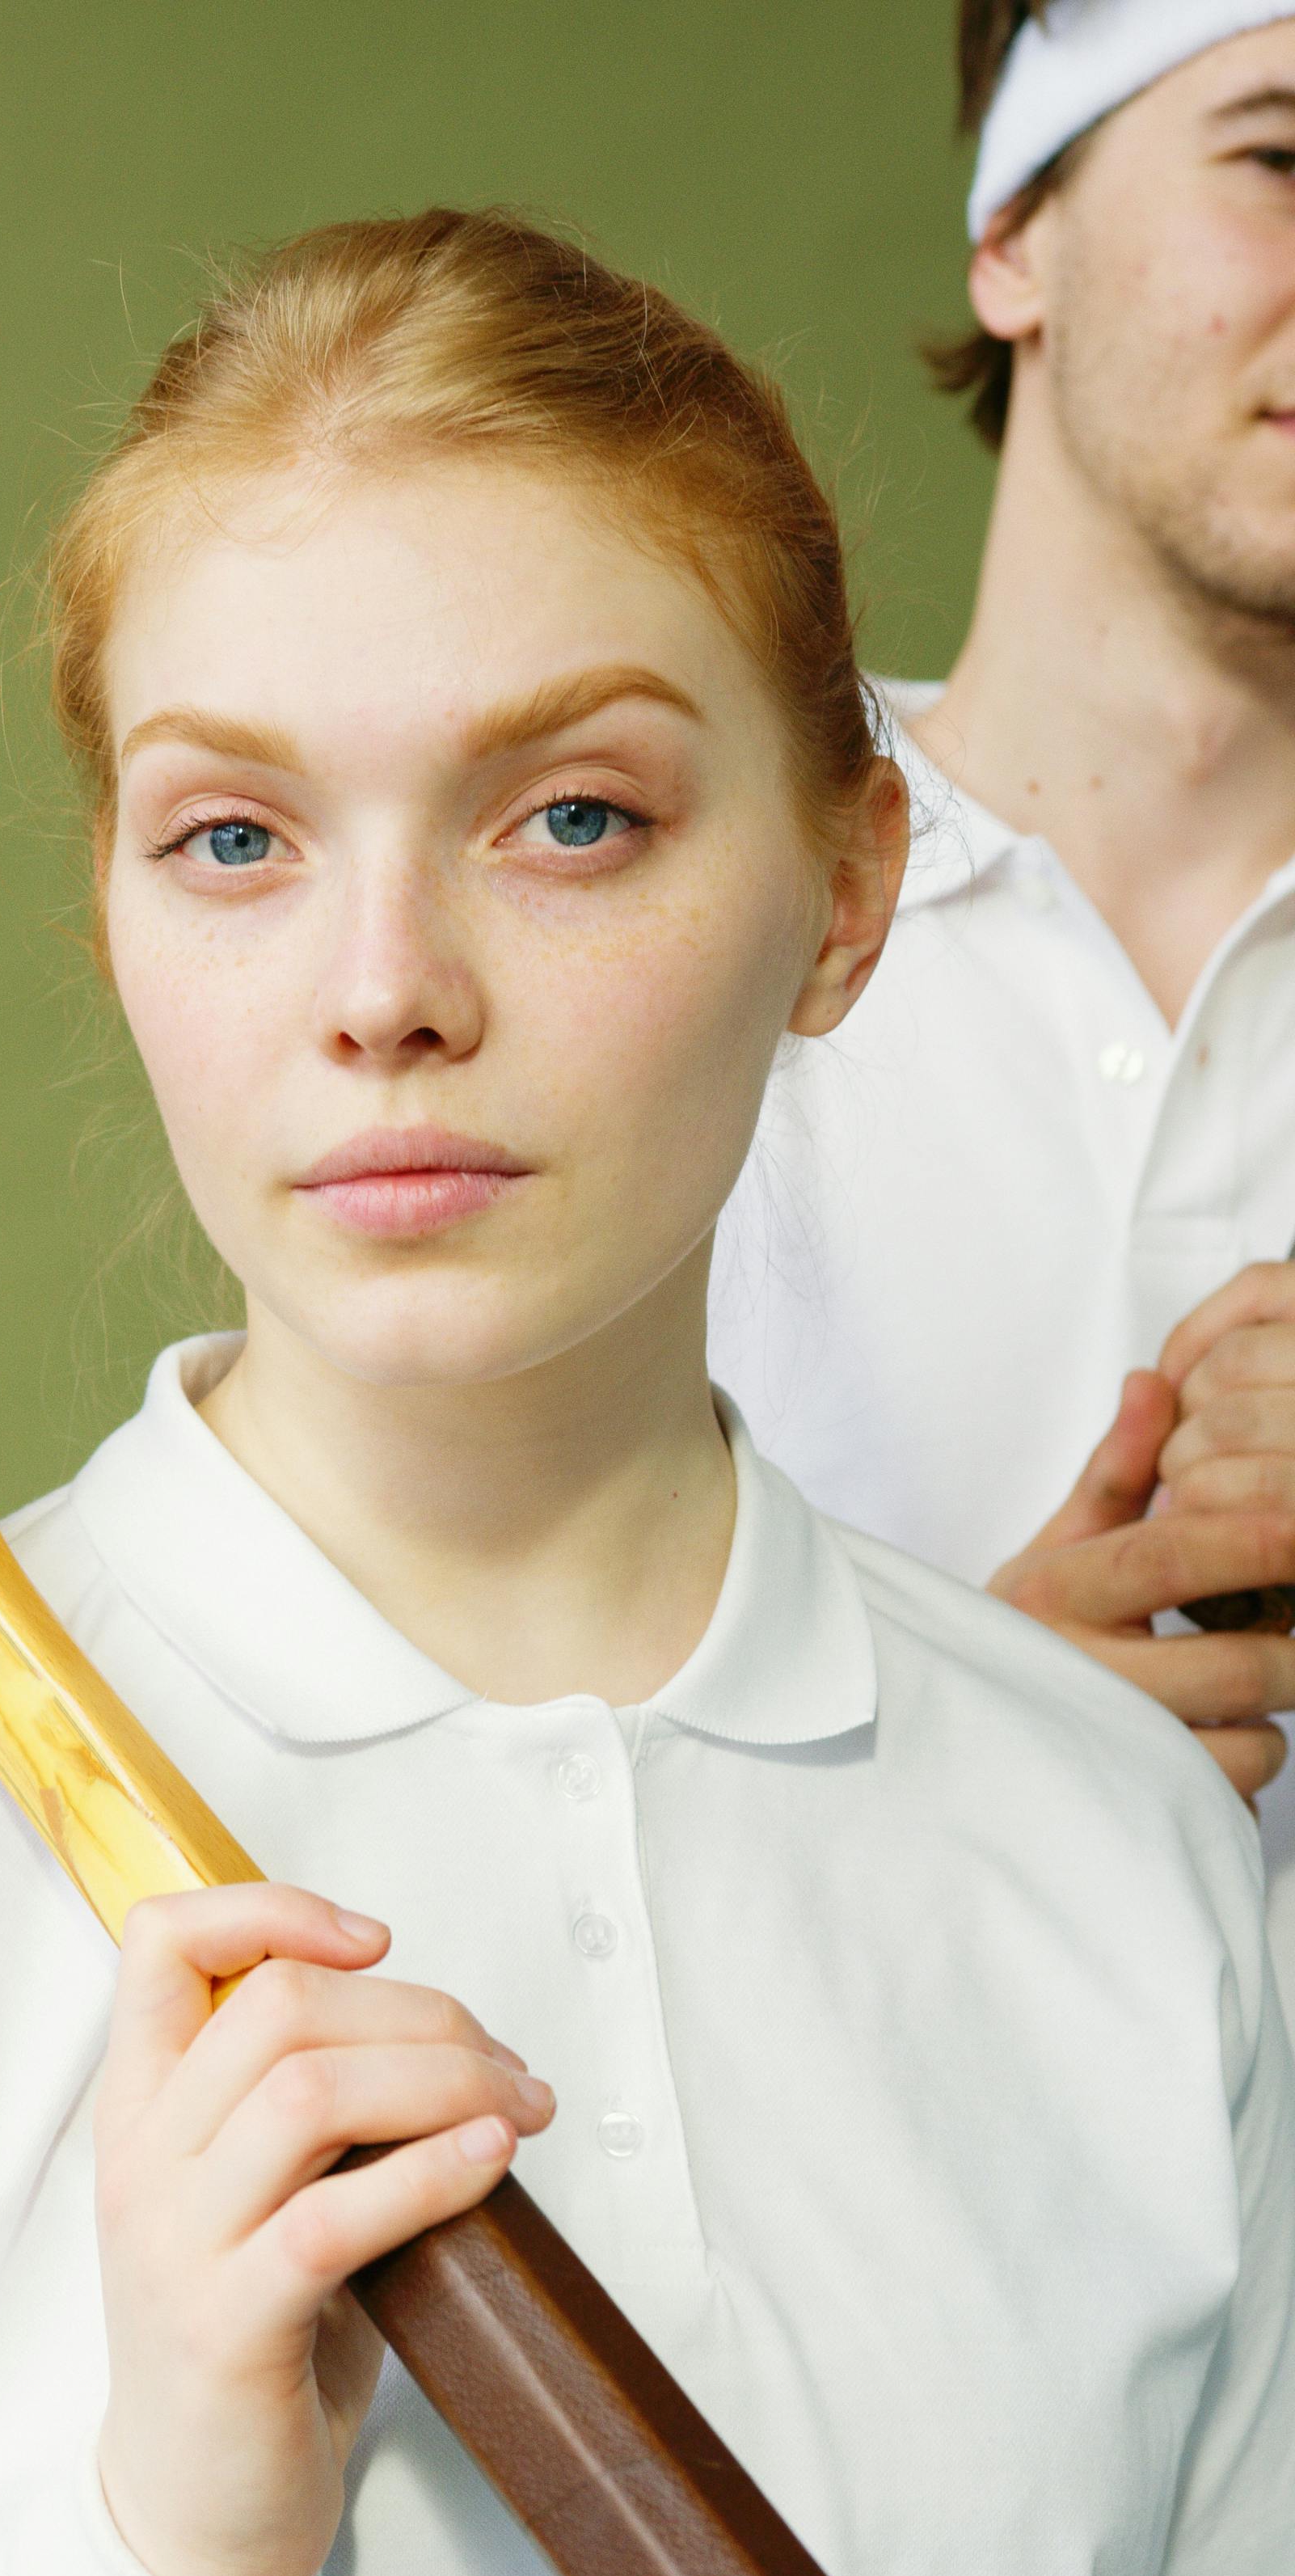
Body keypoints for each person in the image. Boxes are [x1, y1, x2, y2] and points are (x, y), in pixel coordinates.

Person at [0, 210, 1291, 2576]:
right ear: (116, 912)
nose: (384, 995)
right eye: (234, 836)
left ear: (850, 892)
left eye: (573, 814)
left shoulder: (1115, 1855)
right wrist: (153, 2566)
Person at [711, 1, 1295, 1968]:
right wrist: (980, 1752)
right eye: (1282, 161)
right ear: (1015, 234)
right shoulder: (666, 918)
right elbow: (419, 1793)